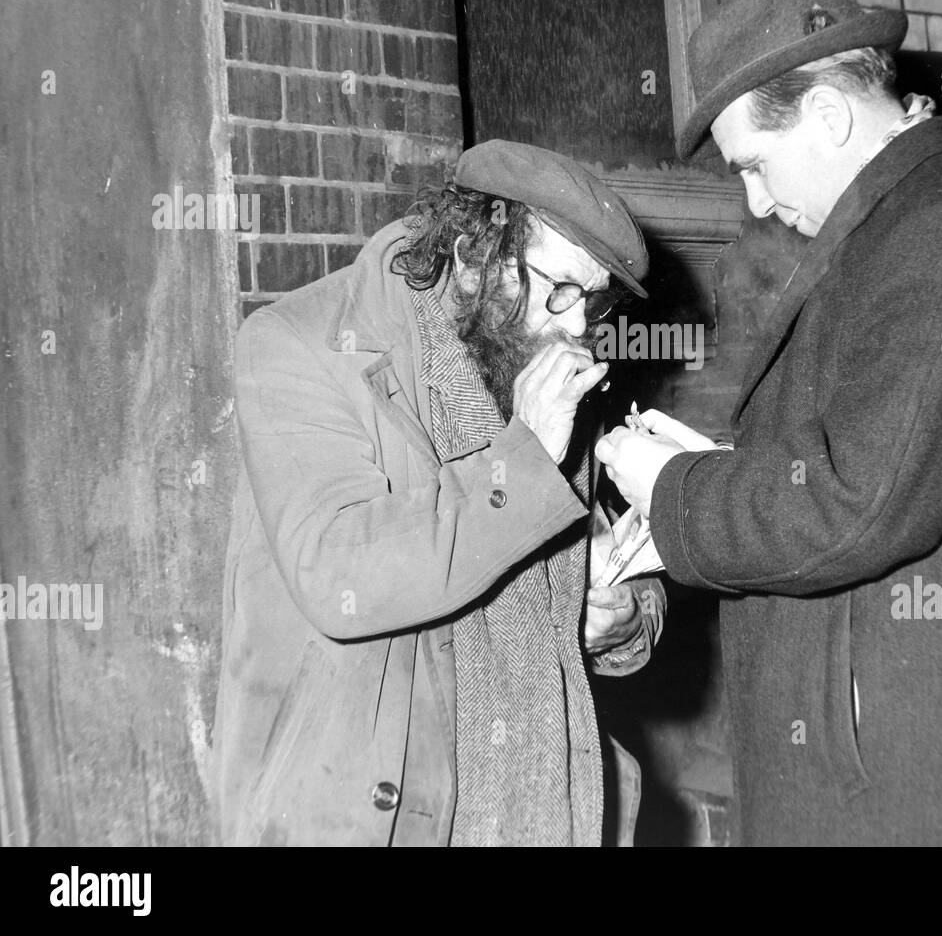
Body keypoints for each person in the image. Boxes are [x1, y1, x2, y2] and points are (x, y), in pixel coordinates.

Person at [596, 0, 942, 846]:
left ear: (830, 119)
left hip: (934, 765)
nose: (756, 202)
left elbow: (860, 503)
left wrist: (679, 492)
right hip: (886, 739)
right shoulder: (897, 230)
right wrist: (711, 477)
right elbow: (859, 454)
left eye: (754, 166)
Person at [214, 139, 665, 846]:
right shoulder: (300, 348)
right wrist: (527, 456)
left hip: (544, 804)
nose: (577, 325)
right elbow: (338, 573)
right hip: (384, 811)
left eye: (594, 302)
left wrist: (622, 618)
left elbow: (619, 567)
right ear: (473, 252)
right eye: (561, 290)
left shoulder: (536, 358)